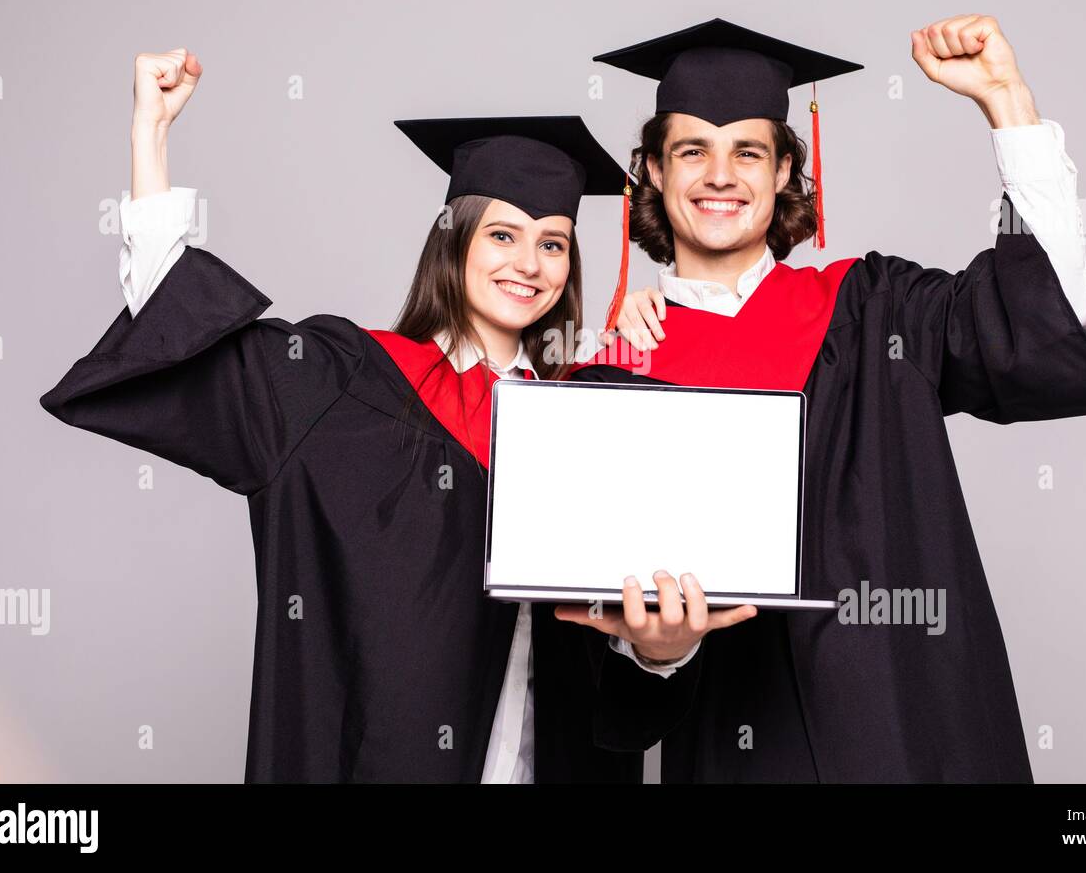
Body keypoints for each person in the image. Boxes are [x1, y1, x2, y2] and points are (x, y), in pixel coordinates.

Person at [38, 47, 718, 782]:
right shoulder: (341, 384)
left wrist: (664, 649)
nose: (530, 263)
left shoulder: (593, 424)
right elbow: (179, 333)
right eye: (501, 235)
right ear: (452, 238)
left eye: (553, 243)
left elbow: (627, 674)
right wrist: (151, 136)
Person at [557, 17, 1086, 781]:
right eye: (692, 151)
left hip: (913, 731)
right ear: (650, 170)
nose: (721, 175)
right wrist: (656, 652)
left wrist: (1007, 104)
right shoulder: (612, 386)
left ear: (784, 172)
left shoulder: (875, 308)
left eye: (748, 151)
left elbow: (1039, 317)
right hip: (738, 753)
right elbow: (591, 685)